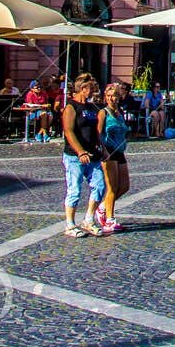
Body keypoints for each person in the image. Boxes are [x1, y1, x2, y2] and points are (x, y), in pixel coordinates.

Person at [62, 73, 107, 237]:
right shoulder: (71, 107)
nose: (94, 91)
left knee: (100, 186)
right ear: (83, 88)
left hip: (93, 155)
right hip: (75, 156)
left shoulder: (91, 107)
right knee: (74, 189)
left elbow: (96, 131)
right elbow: (68, 131)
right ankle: (70, 224)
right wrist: (80, 151)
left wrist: (102, 148)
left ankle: (88, 219)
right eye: (91, 88)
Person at [98, 82, 130, 233]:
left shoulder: (119, 112)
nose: (111, 99)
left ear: (119, 97)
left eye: (114, 96)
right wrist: (102, 151)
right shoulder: (103, 113)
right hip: (108, 151)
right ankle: (109, 219)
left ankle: (103, 207)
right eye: (109, 96)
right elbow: (98, 133)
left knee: (124, 186)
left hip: (120, 150)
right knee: (112, 187)